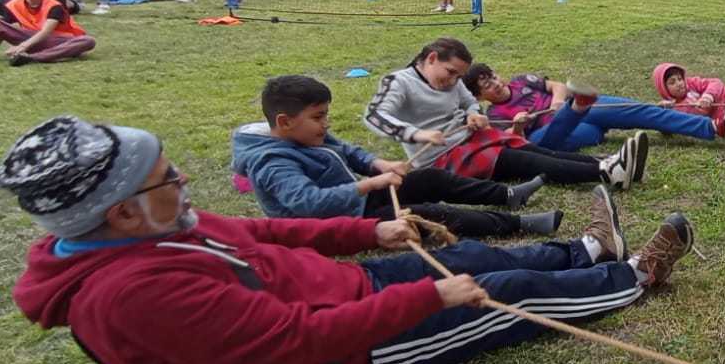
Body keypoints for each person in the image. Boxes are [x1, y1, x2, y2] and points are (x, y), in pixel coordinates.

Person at [0, 116, 697, 364]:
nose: (181, 181)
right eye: (164, 177)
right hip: (345, 357)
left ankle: (587, 250)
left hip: (344, 291)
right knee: (499, 290)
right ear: (120, 214)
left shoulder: (157, 229)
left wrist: (372, 232)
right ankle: (633, 275)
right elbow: (297, 343)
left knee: (479, 254)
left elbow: (262, 231)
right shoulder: (127, 296)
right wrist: (431, 298)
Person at [233, 75, 562, 240]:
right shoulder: (272, 163)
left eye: (325, 115)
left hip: (354, 202)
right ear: (284, 122)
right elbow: (311, 204)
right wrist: (371, 184)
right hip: (337, 225)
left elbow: (347, 151)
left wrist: (379, 165)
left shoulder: (302, 132)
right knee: (427, 214)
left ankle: (507, 196)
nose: (326, 123)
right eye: (318, 117)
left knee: (429, 178)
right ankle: (520, 225)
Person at [365, 40, 646, 188]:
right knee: (520, 160)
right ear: (431, 59)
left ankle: (606, 163)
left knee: (532, 149)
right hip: (442, 158)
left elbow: (469, 103)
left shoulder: (454, 83)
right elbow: (375, 116)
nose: (453, 81)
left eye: (459, 76)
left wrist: (474, 114)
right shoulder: (399, 82)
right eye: (451, 73)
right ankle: (606, 173)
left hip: (471, 139)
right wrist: (416, 133)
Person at [465, 64, 717, 151]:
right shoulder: (495, 115)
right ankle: (577, 109)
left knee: (639, 110)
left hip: (583, 111)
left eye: (494, 77)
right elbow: (514, 142)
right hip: (559, 132)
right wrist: (518, 126)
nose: (496, 84)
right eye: (487, 85)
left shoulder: (521, 81)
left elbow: (557, 86)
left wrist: (557, 102)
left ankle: (709, 127)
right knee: (540, 144)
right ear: (481, 96)